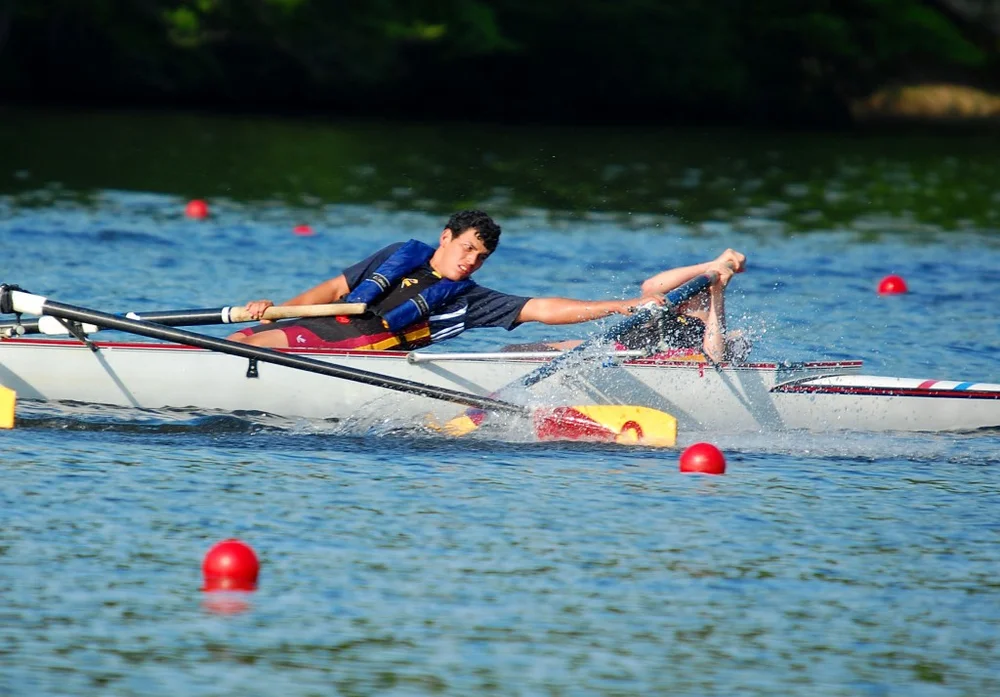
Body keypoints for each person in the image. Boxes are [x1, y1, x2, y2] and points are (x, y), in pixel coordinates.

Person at [227, 210, 746, 353]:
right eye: (468, 248)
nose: (473, 261)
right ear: (445, 237)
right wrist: (267, 310)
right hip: (313, 330)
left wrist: (617, 308)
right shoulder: (398, 255)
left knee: (235, 347)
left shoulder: (468, 298)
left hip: (355, 349)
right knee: (237, 339)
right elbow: (326, 294)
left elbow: (543, 308)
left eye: (483, 255)